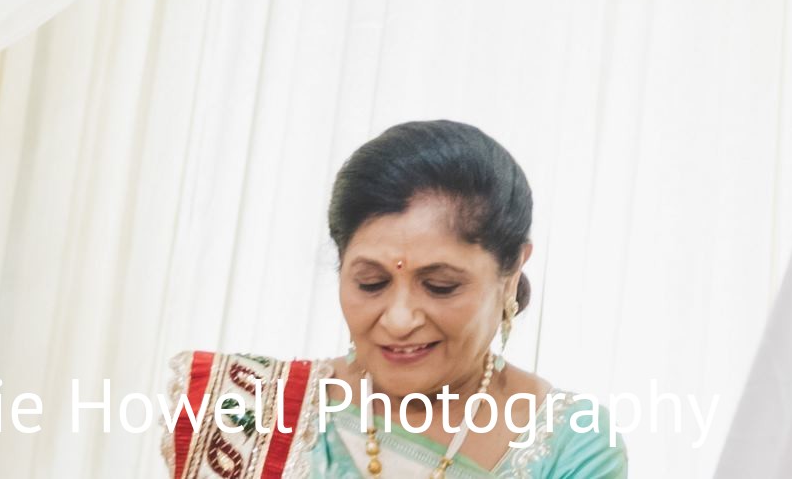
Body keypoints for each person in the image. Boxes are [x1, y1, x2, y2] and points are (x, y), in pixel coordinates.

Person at [163, 120, 626, 479]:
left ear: (511, 273)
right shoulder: (245, 409)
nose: (400, 319)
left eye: (441, 286)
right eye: (370, 283)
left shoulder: (571, 443)